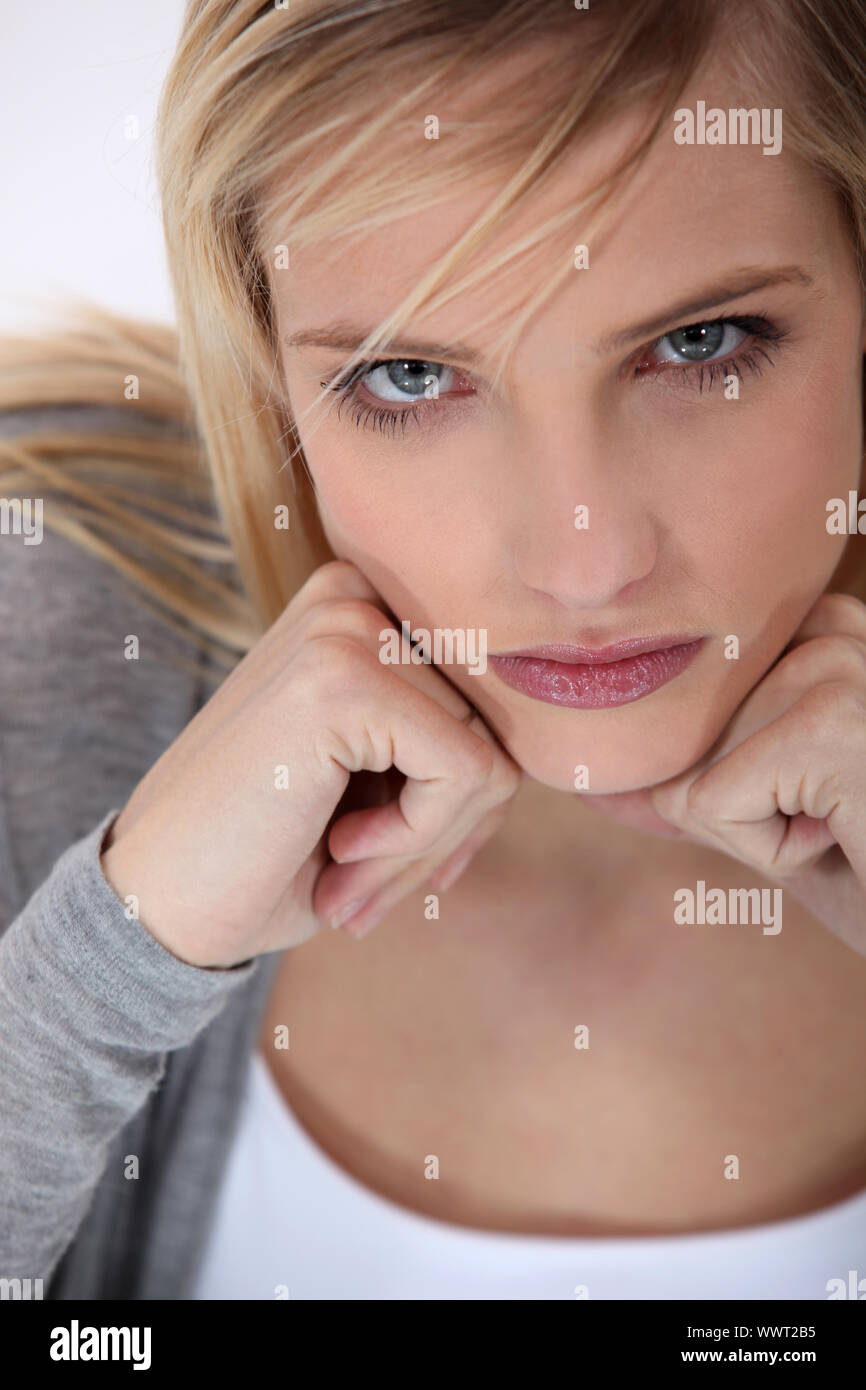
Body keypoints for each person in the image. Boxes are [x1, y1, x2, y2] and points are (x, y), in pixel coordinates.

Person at [2, 0, 866, 1301]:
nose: (583, 564)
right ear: (263, 369)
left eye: (697, 344)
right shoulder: (56, 618)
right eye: (408, 375)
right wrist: (116, 951)